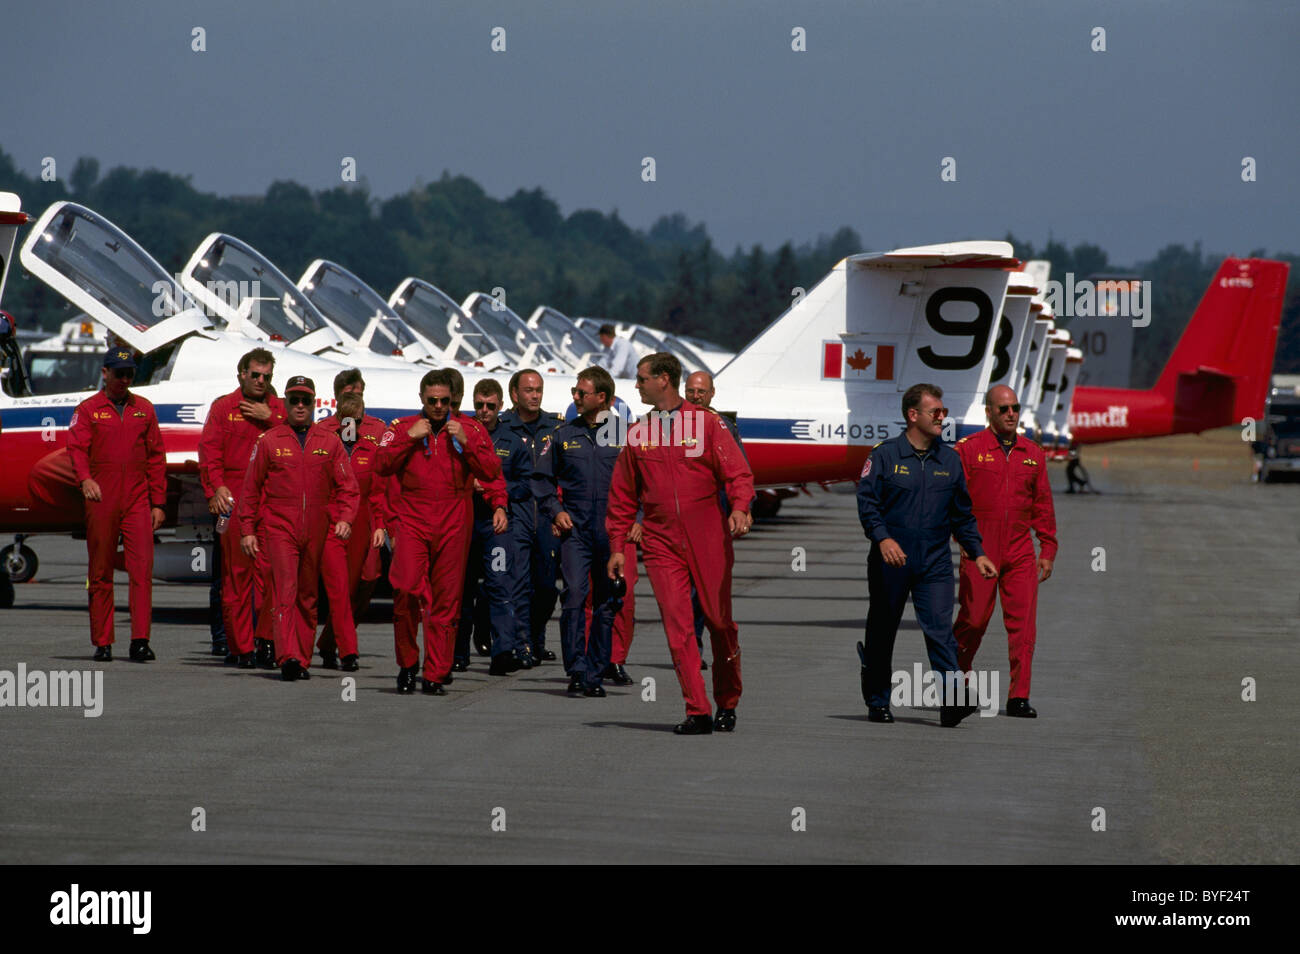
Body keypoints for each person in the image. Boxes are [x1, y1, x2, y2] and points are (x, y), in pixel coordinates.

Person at [606, 353, 755, 735]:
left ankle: (728, 698)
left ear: (664, 380)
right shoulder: (639, 433)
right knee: (678, 627)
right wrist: (618, 548)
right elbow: (622, 497)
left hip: (708, 534)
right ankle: (698, 709)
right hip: (660, 540)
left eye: (641, 379)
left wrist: (740, 508)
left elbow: (738, 473)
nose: (636, 385)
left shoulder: (707, 423)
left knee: (720, 621)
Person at [856, 383, 998, 727]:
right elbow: (868, 504)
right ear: (913, 415)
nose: (941, 417)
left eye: (944, 412)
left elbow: (962, 514)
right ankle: (877, 700)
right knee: (883, 629)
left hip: (933, 562)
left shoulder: (949, 460)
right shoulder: (885, 455)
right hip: (892, 560)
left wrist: (977, 552)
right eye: (935, 412)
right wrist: (883, 539)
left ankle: (951, 702)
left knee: (940, 631)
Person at [376, 369, 507, 694]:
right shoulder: (402, 428)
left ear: (452, 400)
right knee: (405, 590)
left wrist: (466, 442)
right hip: (413, 518)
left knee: (447, 600)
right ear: (422, 398)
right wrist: (409, 439)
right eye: (432, 400)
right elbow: (381, 464)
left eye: (444, 401)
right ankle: (408, 664)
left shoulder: (470, 429)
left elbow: (492, 470)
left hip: (453, 518)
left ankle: (436, 672)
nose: (437, 406)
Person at [237, 376, 358, 682]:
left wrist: (345, 518)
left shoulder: (329, 441)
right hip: (280, 527)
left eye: (306, 401)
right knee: (285, 591)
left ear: (314, 404)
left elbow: (348, 486)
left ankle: (302, 658)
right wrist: (247, 529)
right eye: (294, 400)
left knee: (308, 595)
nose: (300, 406)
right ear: (286, 404)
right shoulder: (269, 441)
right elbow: (250, 489)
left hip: (317, 527)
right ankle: (287, 655)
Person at [953, 386, 1058, 718]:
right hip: (980, 548)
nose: (1011, 413)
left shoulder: (1033, 453)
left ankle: (1018, 697)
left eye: (1015, 408)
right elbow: (955, 503)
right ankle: (953, 682)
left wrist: (1048, 548)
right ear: (989, 413)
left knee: (1024, 626)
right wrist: (964, 542)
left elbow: (1043, 505)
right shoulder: (968, 451)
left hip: (1019, 550)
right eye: (1003, 409)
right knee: (972, 620)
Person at [66, 348, 166, 662]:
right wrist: (84, 479)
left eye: (129, 374)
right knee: (100, 571)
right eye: (118, 373)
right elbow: (76, 448)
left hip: (137, 500)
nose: (124, 379)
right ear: (105, 373)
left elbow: (155, 458)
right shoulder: (88, 410)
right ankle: (103, 641)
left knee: (141, 571)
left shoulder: (144, 410)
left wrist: (159, 503)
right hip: (102, 498)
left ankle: (140, 640)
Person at [534, 366, 626, 696]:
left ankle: (596, 672)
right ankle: (576, 669)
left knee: (607, 601)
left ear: (601, 398)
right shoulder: (562, 435)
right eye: (575, 391)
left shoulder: (624, 435)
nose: (575, 396)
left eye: (581, 392)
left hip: (612, 531)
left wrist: (639, 519)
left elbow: (643, 483)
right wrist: (556, 512)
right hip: (576, 532)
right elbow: (541, 479)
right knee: (574, 596)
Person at [199, 348, 285, 668]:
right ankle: (239, 646)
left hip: (271, 502)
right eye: (256, 375)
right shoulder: (223, 408)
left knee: (271, 576)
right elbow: (210, 453)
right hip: (233, 501)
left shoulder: (280, 408)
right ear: (242, 375)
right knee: (236, 578)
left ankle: (266, 641)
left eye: (267, 376)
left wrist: (271, 418)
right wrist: (216, 488)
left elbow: (303, 436)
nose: (261, 381)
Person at [315, 369, 390, 671]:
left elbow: (381, 486)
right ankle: (346, 649)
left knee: (368, 580)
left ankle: (329, 640)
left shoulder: (376, 433)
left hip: (366, 520)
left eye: (358, 390)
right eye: (349, 390)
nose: (354, 394)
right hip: (334, 520)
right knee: (340, 587)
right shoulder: (323, 432)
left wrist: (382, 523)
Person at [456, 378, 531, 675]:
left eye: (490, 406)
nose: (484, 411)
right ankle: (458, 654)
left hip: (495, 526)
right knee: (461, 591)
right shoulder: (462, 435)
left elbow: (527, 484)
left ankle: (503, 652)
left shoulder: (513, 440)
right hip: (463, 524)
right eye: (479, 406)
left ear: (500, 405)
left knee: (500, 586)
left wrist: (492, 489)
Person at [683, 370, 753, 670]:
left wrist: (743, 508)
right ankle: (689, 648)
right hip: (680, 520)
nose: (696, 396)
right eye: (690, 391)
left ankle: (710, 645)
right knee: (682, 590)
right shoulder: (667, 424)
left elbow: (740, 470)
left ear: (712, 394)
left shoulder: (723, 427)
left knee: (707, 591)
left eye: (701, 392)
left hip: (713, 521)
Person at [497, 369, 564, 665]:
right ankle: (522, 644)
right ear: (515, 394)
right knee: (519, 582)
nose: (535, 395)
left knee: (548, 586)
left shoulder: (556, 428)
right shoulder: (503, 429)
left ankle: (537, 638)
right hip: (517, 515)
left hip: (548, 517)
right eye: (528, 390)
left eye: (538, 390)